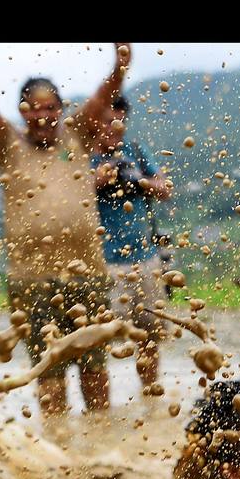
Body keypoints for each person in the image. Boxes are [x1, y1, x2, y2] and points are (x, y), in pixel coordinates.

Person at [0, 42, 131, 416]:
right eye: (35, 108)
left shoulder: (77, 136)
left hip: (87, 274)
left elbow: (101, 98)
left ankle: (100, 447)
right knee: (48, 373)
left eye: (51, 108)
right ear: (23, 112)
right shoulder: (9, 145)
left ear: (61, 110)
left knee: (94, 370)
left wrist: (120, 67)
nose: (44, 116)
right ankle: (60, 452)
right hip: (32, 279)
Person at [92, 95, 174, 394]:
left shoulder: (134, 151)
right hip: (104, 263)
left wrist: (138, 180)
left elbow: (164, 188)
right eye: (107, 123)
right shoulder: (83, 155)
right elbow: (70, 200)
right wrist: (98, 181)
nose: (113, 129)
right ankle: (102, 407)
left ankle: (150, 395)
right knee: (100, 341)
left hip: (146, 259)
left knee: (149, 335)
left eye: (119, 123)